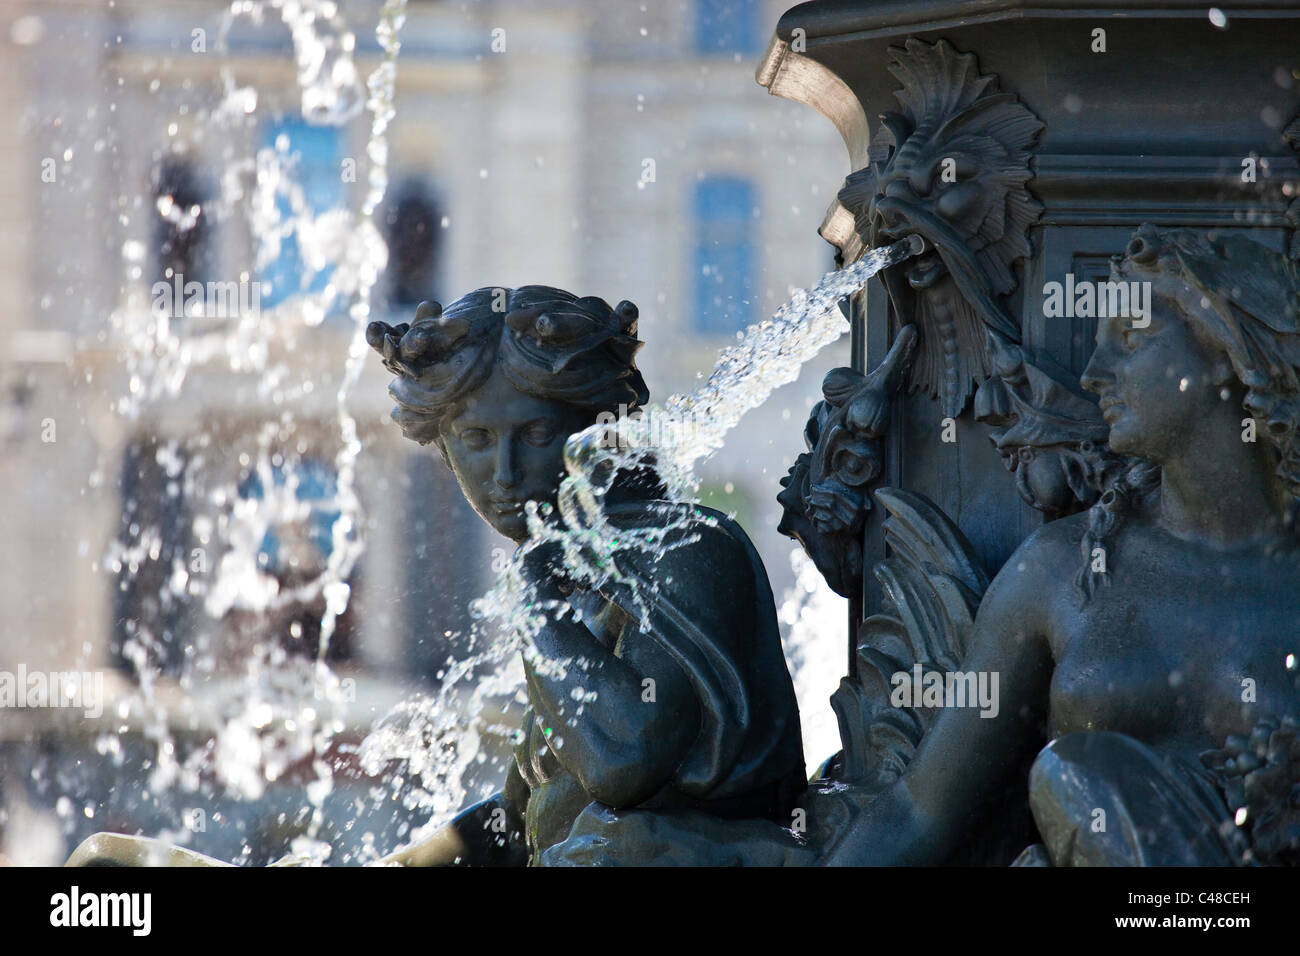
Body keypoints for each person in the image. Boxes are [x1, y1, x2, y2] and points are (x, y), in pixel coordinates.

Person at [367, 287, 806, 865]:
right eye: (476, 439)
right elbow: (518, 818)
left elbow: (624, 762)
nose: (504, 474)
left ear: (596, 432)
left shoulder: (685, 547)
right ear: (443, 447)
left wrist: (532, 599)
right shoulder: (574, 581)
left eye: (538, 436)